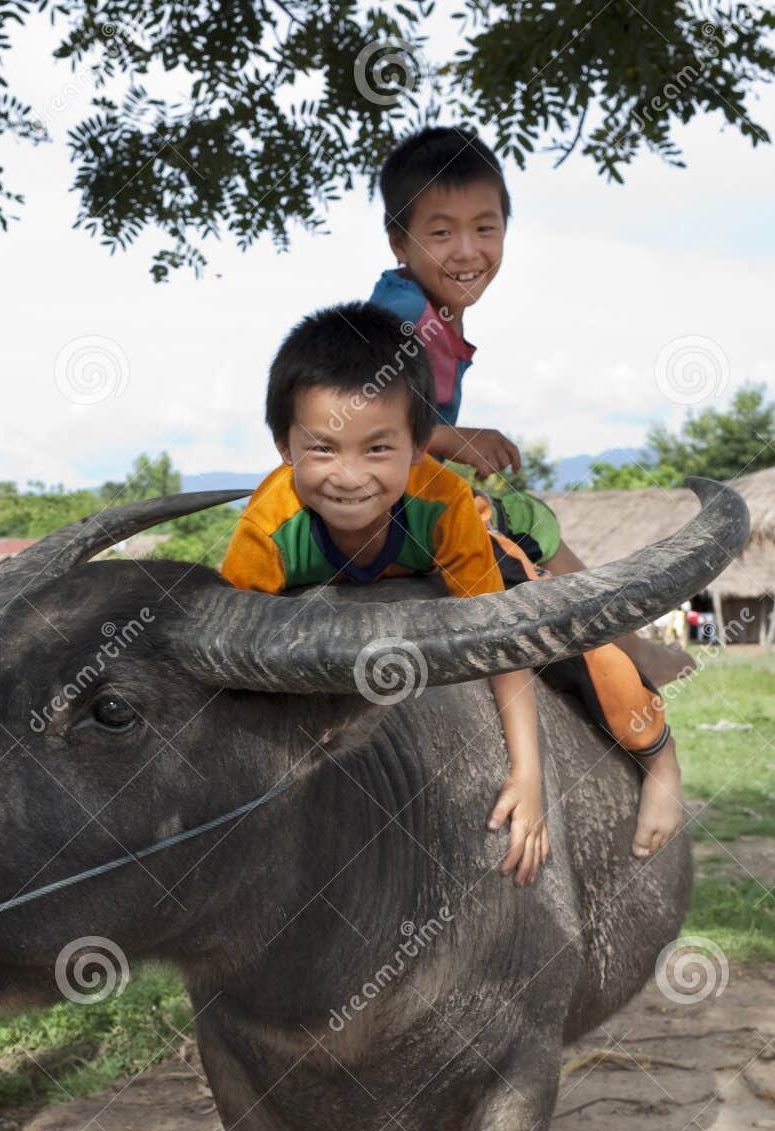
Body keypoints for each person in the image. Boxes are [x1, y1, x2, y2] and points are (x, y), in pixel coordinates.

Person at [220, 303, 683, 862]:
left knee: (567, 634)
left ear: (418, 448)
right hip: (334, 595)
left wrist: (528, 775)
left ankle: (658, 757)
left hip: (454, 557)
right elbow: (235, 655)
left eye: (377, 448)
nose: (347, 475)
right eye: (322, 447)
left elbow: (500, 642)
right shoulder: (265, 532)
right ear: (284, 449)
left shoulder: (443, 504)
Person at [370, 123, 692, 688]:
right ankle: (634, 650)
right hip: (390, 500)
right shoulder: (407, 317)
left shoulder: (417, 304)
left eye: (485, 228)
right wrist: (458, 439)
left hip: (407, 488)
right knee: (534, 523)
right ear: (401, 241)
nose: (467, 250)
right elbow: (370, 410)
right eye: (441, 233)